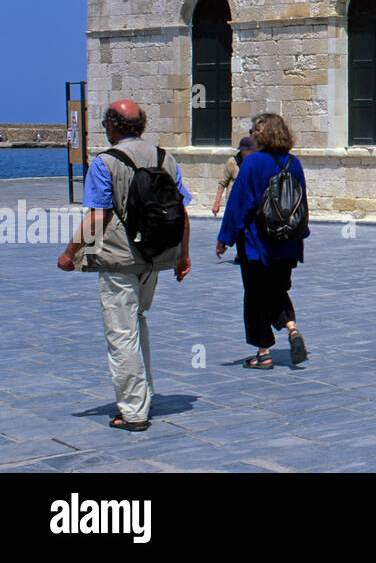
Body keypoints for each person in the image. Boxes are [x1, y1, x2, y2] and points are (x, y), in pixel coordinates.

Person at [56, 100, 193, 431]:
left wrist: (70, 253)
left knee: (121, 333)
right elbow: (183, 210)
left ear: (111, 126)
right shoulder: (165, 158)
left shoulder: (104, 163)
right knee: (138, 321)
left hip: (121, 259)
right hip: (157, 257)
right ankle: (144, 393)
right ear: (142, 125)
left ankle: (133, 411)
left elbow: (99, 216)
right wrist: (183, 255)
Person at [216, 113, 309, 369]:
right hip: (288, 242)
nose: (251, 134)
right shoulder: (294, 163)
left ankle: (263, 352)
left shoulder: (253, 163)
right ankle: (291, 328)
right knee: (278, 290)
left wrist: (226, 238)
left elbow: (239, 204)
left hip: (257, 244)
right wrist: (301, 235)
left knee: (256, 296)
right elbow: (301, 203)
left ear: (264, 133)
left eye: (254, 130)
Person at [212, 136, 255, 218]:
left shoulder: (255, 163)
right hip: (234, 202)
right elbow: (222, 183)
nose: (251, 153)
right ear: (242, 150)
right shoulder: (232, 162)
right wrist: (216, 203)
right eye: (248, 151)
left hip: (251, 203)